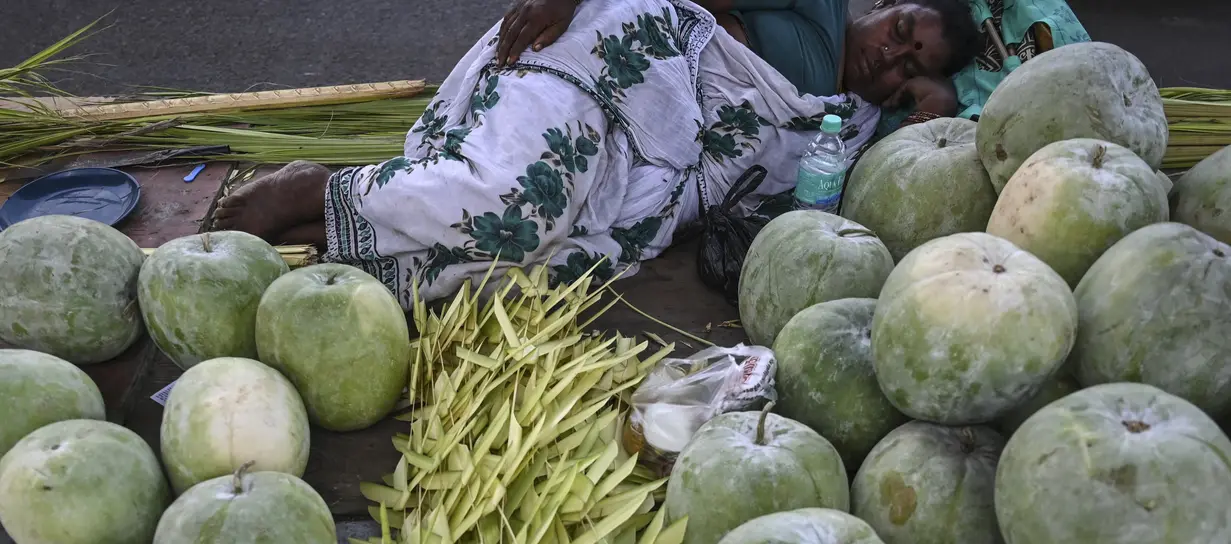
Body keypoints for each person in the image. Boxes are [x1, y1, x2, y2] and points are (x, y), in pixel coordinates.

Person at [214, 0, 979, 308]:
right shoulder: (817, 7)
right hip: (624, 54)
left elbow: (910, 166)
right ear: (881, 4)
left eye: (914, 61)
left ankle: (352, 222)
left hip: (660, 153)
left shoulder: (844, 126)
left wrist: (933, 103)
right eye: (901, 28)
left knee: (542, 262)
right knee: (518, 201)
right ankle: (316, 192)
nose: (893, 54)